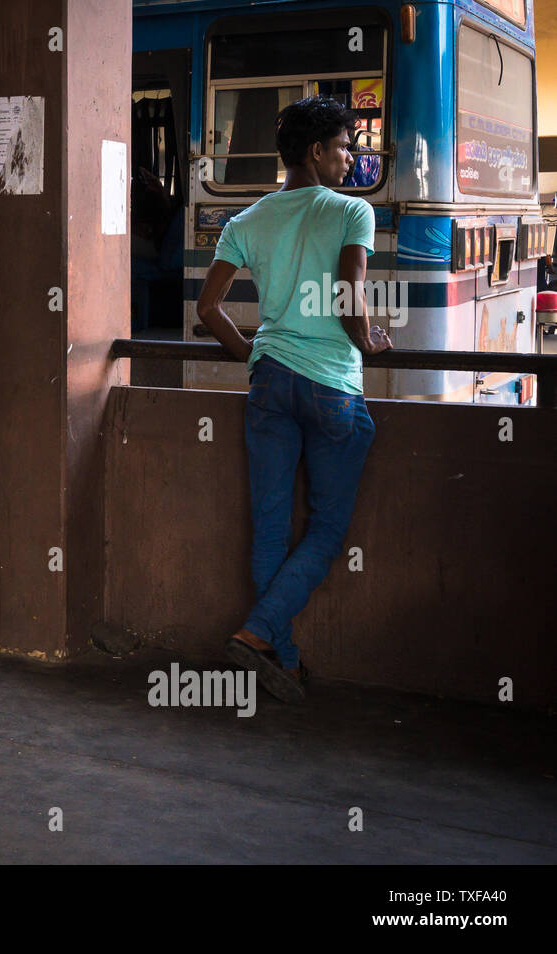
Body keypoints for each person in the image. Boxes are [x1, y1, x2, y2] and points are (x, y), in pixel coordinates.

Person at [195, 96, 392, 704]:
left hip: (271, 383)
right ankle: (258, 635)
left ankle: (281, 659)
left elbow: (209, 309)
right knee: (328, 529)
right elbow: (349, 296)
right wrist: (370, 340)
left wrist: (252, 353)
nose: (350, 159)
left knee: (271, 529)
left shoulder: (245, 222)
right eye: (343, 148)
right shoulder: (351, 212)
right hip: (332, 385)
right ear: (315, 152)